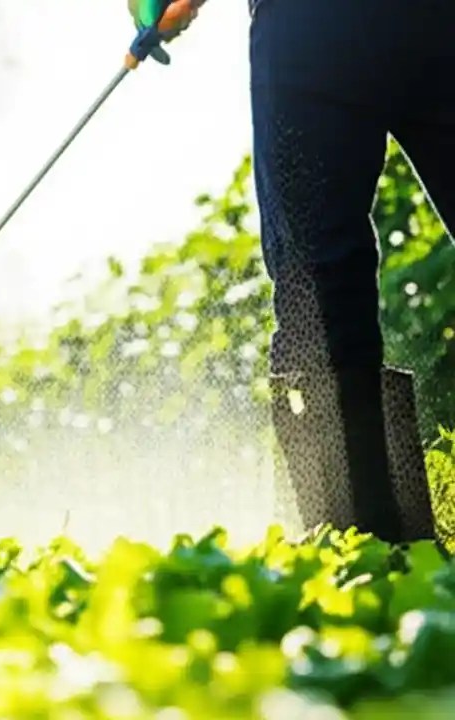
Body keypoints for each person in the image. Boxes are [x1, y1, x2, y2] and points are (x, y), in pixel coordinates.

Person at [128, 0, 455, 543]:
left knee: (317, 281)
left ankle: (359, 542)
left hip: (317, 29)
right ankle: (361, 532)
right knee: (317, 290)